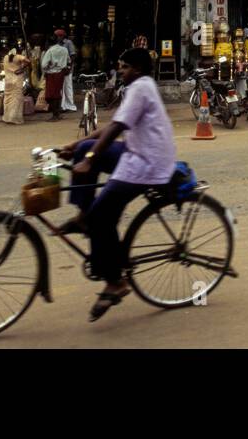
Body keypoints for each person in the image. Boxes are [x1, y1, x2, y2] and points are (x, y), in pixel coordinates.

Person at [59, 49, 176, 322]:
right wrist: (77, 147)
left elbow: (115, 129)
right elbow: (112, 124)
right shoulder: (137, 87)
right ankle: (82, 215)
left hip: (148, 162)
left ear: (136, 69)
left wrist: (90, 160)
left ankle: (115, 282)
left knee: (102, 216)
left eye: (124, 67)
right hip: (137, 151)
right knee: (86, 148)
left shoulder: (140, 88)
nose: (120, 71)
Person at [41, 29, 71, 119]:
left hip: (51, 74)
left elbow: (43, 65)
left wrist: (49, 67)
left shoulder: (50, 51)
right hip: (60, 73)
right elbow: (69, 61)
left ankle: (55, 115)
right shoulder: (65, 50)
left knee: (50, 95)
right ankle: (57, 114)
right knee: (57, 93)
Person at [1, 44, 30, 125]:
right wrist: (22, 68)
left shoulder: (5, 57)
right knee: (16, 99)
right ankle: (14, 118)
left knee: (8, 98)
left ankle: (7, 118)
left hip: (8, 81)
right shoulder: (17, 56)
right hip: (17, 80)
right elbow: (28, 61)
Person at [60, 29, 78, 113]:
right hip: (59, 68)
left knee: (67, 86)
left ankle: (70, 105)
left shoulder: (68, 43)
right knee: (61, 87)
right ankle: (63, 105)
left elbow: (73, 55)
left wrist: (69, 67)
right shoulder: (58, 44)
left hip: (67, 68)